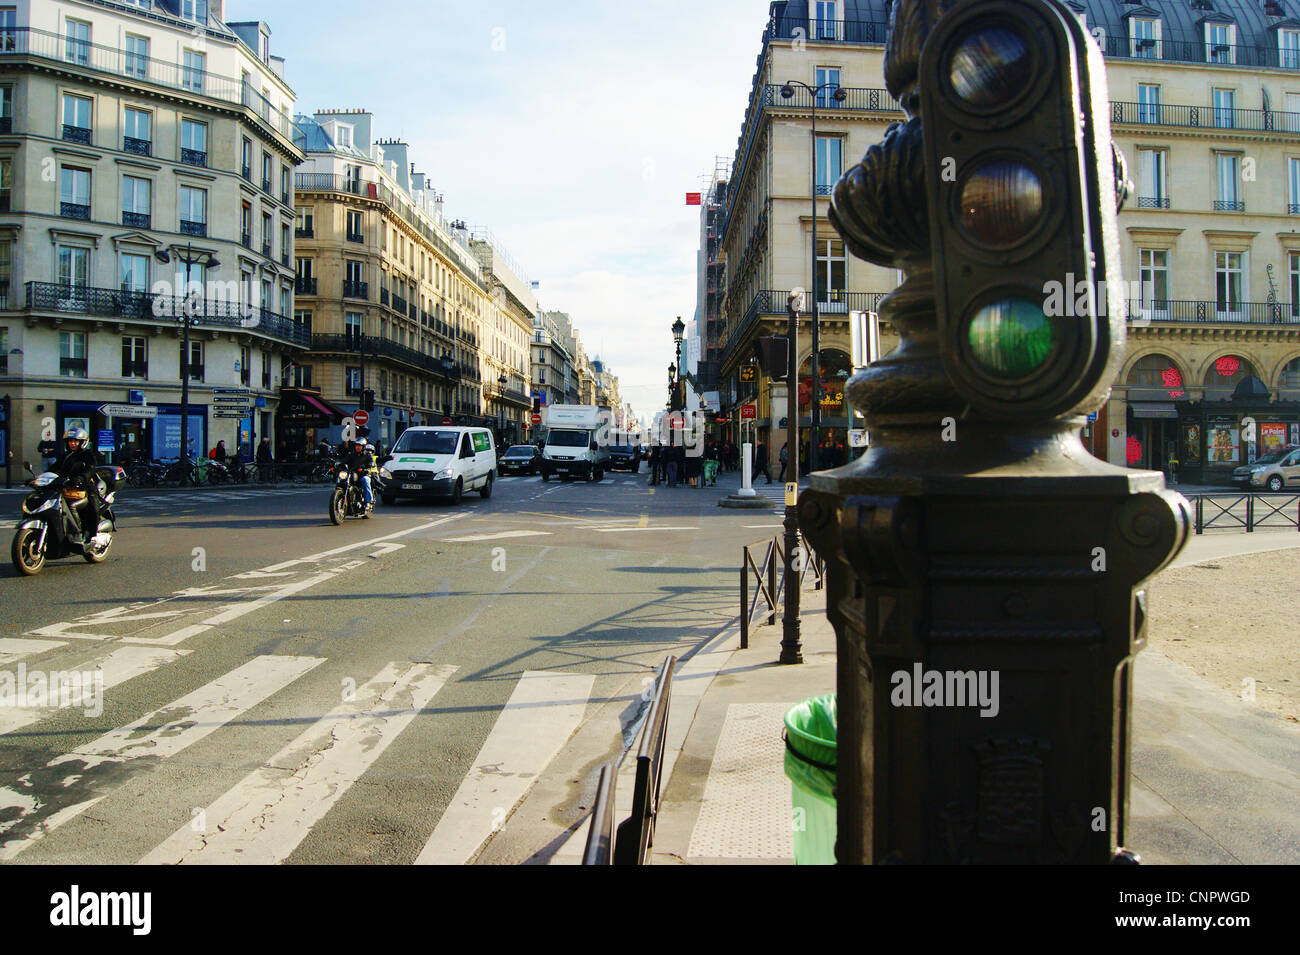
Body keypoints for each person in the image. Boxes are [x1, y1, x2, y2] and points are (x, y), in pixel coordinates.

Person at [51, 427, 104, 542]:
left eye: (76, 441)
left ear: (82, 442)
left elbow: (90, 469)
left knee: (72, 506)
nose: (73, 444)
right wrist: (40, 478)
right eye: (70, 441)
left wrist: (80, 478)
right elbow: (54, 469)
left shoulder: (88, 454)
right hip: (66, 487)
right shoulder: (65, 456)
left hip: (83, 487)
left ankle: (80, 532)